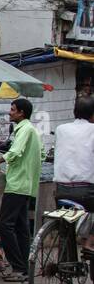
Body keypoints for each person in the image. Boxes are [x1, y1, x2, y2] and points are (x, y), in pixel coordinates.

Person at [0, 97, 41, 280]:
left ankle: (19, 268)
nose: (10, 112)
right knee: (21, 227)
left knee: (5, 225)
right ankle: (25, 268)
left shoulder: (24, 130)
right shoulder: (31, 130)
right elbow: (41, 154)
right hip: (26, 183)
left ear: (21, 113)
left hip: (17, 184)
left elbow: (15, 152)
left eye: (12, 109)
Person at [55, 96, 94, 251]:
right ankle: (89, 242)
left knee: (66, 224)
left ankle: (65, 262)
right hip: (86, 191)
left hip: (61, 189)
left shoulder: (60, 129)